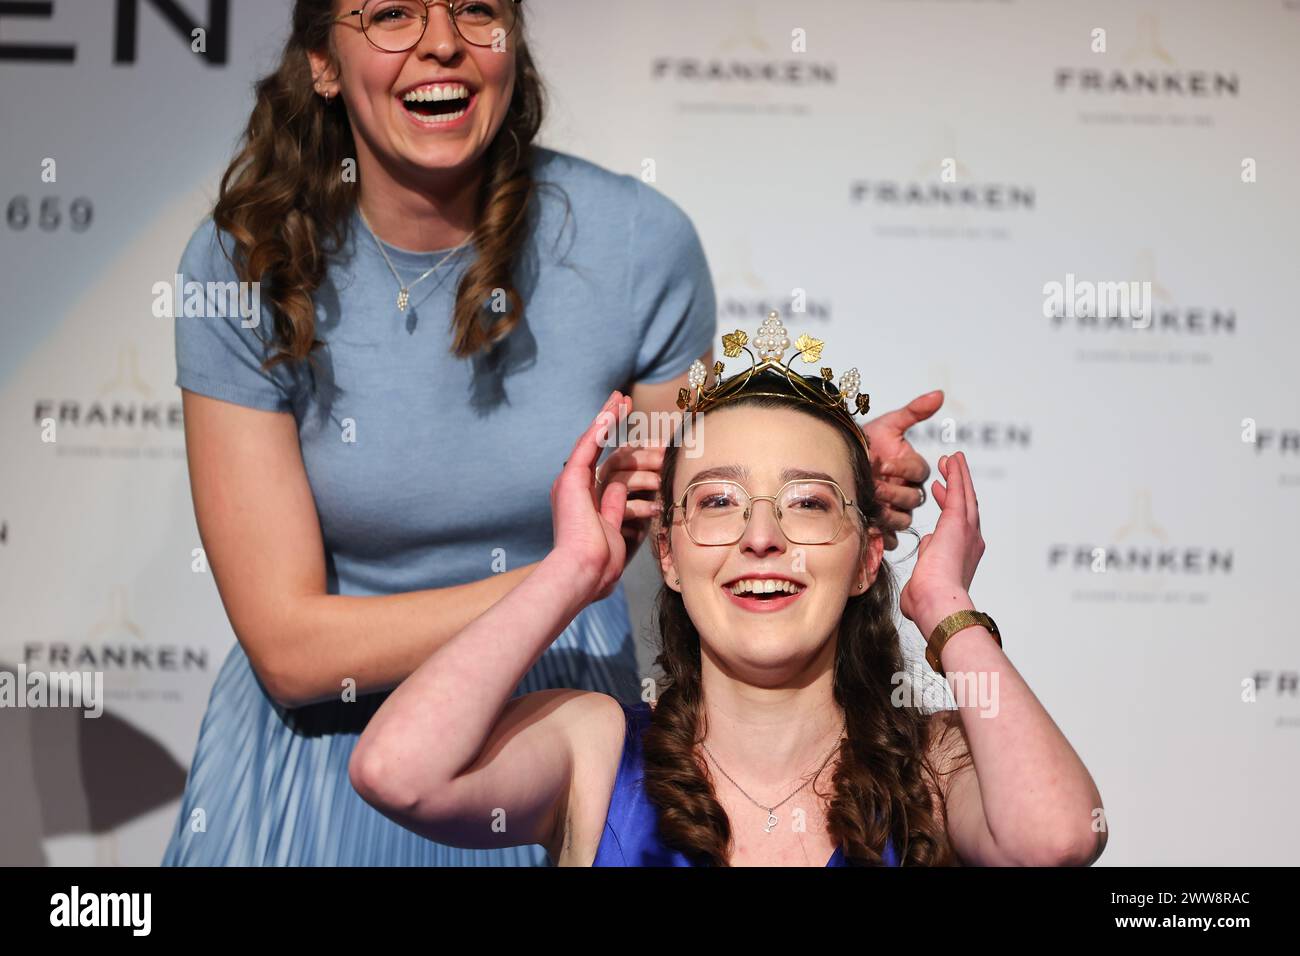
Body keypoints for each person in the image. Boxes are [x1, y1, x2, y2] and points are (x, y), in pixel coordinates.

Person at [163, 0, 938, 866]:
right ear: (323, 61)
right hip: (321, 759)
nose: (443, 42)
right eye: (391, 14)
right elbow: (292, 650)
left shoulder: (638, 240)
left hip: (553, 745)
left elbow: (690, 478)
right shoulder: (243, 262)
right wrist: (563, 579)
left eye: (475, 11)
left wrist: (828, 477)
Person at [351, 318, 1109, 866]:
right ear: (670, 556)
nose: (760, 536)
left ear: (867, 558)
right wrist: (570, 571)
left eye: (808, 501)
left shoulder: (931, 762)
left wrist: (945, 606)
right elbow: (398, 772)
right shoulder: (596, 747)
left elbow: (1058, 838)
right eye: (717, 501)